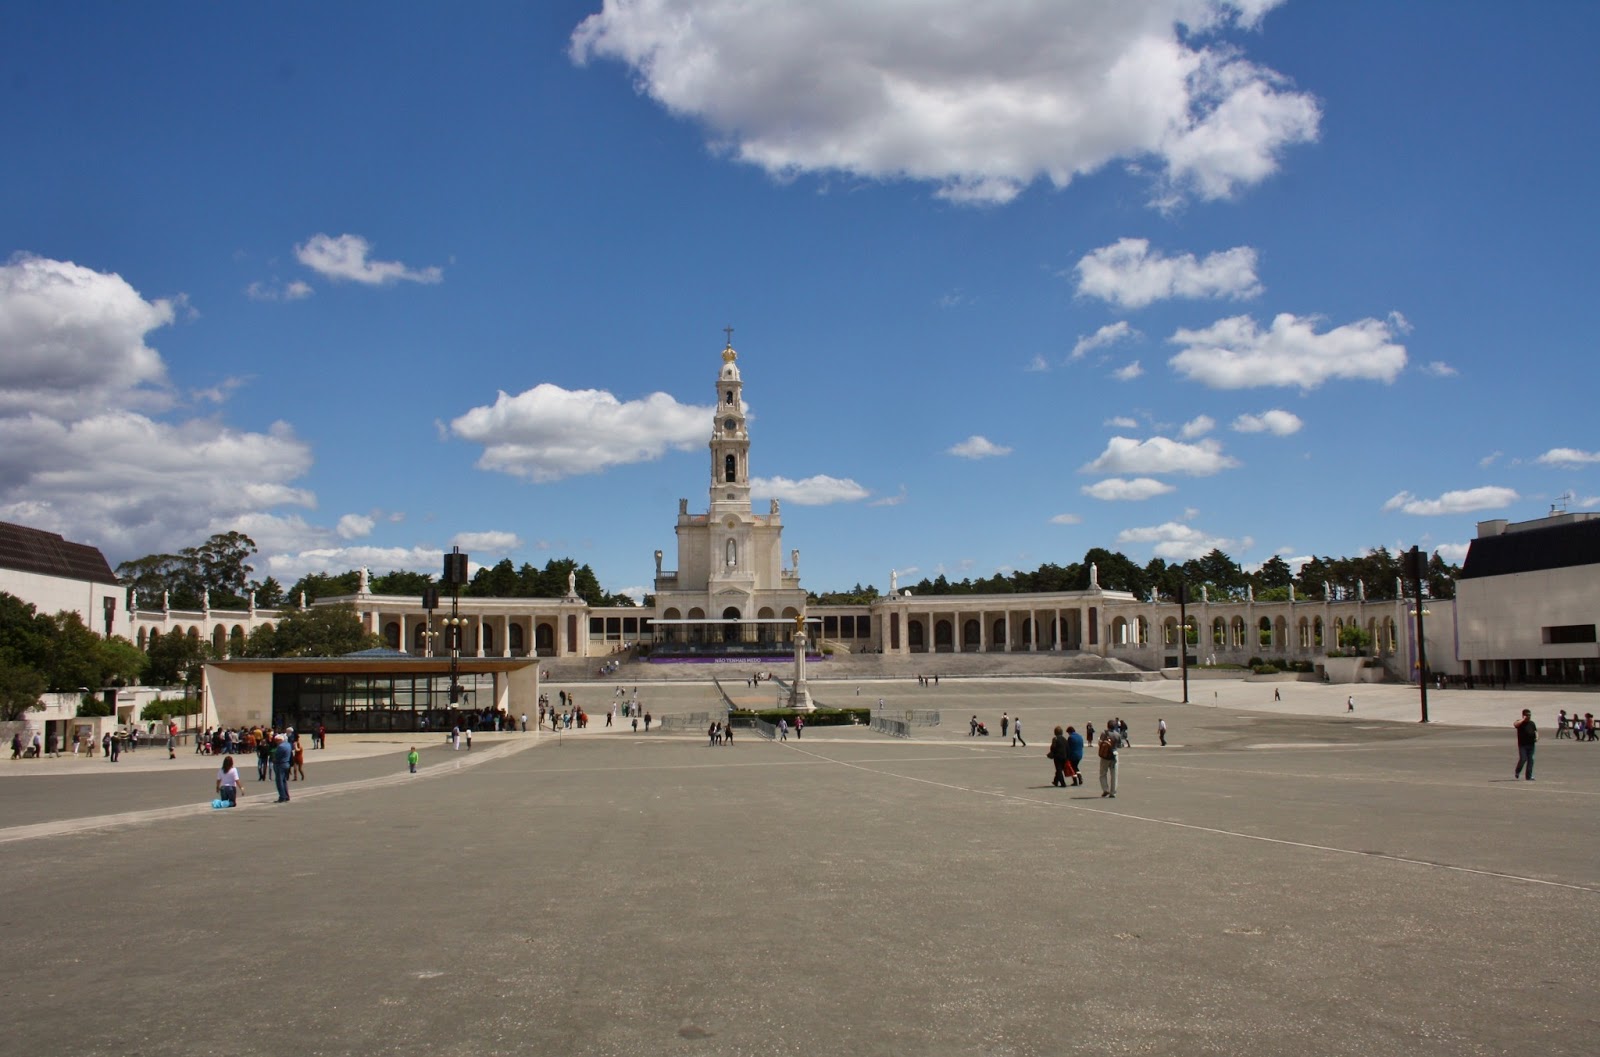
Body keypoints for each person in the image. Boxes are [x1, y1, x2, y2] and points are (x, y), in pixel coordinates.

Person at [1098, 722, 1122, 798]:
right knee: (1114, 774)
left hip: (1105, 755)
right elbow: (1119, 745)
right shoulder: (1117, 734)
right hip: (1114, 754)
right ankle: (1113, 792)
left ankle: (1105, 789)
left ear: (1107, 726)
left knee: (1103, 773)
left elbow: (1100, 743)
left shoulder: (1104, 733)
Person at [1514, 708, 1537, 781]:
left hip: (1531, 744)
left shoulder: (1532, 723)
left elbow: (1536, 731)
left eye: (1530, 715)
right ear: (1523, 715)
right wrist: (1523, 719)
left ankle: (1528, 776)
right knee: (1523, 759)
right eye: (1527, 715)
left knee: (1531, 760)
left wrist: (1537, 737)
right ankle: (1517, 771)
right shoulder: (1520, 722)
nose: (1529, 716)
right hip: (1522, 745)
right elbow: (1515, 724)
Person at [271, 734, 293, 802]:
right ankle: (286, 795)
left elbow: (276, 757)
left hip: (280, 765)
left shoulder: (280, 747)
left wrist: (273, 759)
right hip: (286, 764)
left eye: (277, 740)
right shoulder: (288, 744)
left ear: (280, 740)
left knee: (279, 781)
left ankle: (282, 796)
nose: (276, 742)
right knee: (284, 781)